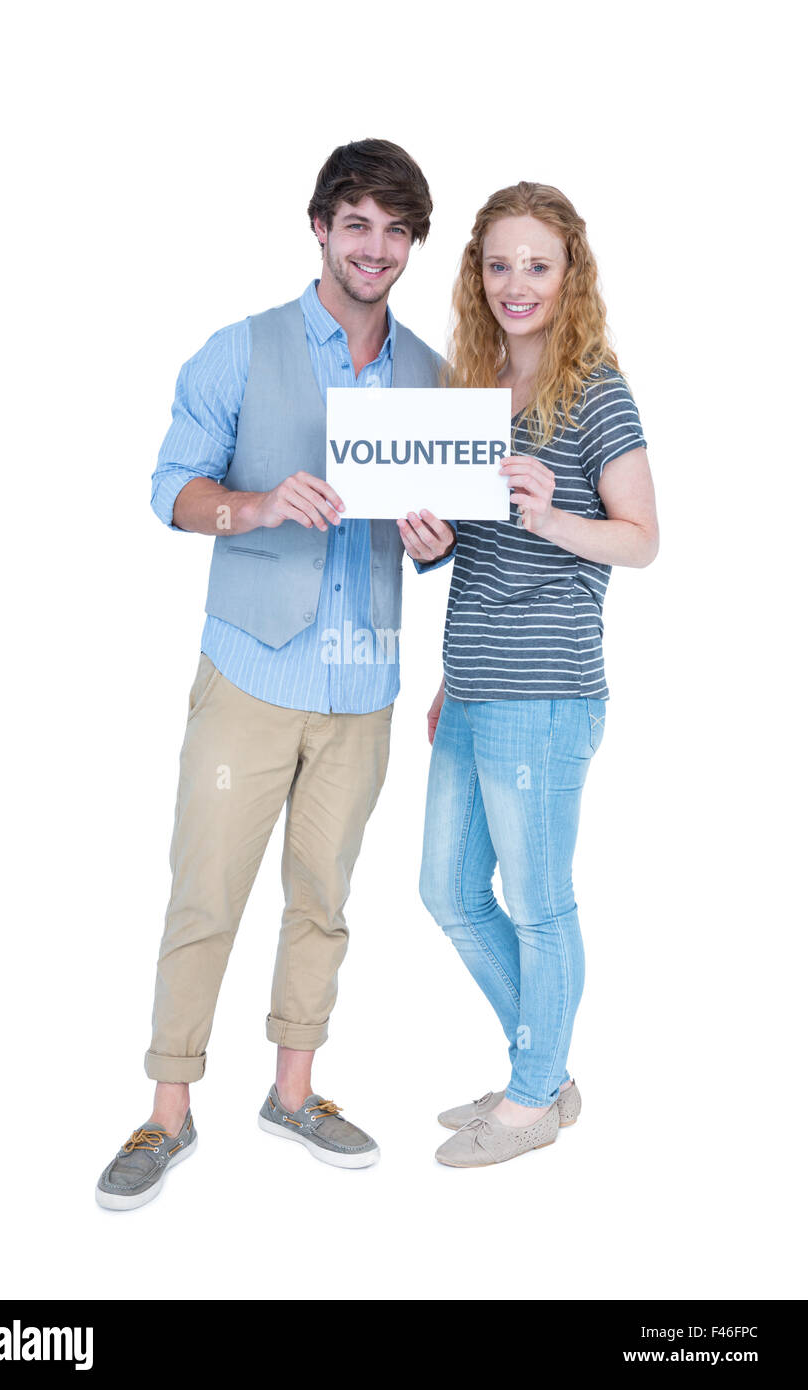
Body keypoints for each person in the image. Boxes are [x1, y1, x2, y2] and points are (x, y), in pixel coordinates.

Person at [96, 139, 456, 1209]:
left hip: (361, 689)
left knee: (324, 897)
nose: (374, 248)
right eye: (356, 224)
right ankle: (167, 1114)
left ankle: (293, 1092)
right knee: (204, 893)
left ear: (410, 245)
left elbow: (436, 545)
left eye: (395, 231)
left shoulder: (432, 377)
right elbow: (170, 487)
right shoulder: (237, 351)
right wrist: (251, 506)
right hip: (250, 674)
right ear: (319, 228)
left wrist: (433, 540)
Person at [419, 181, 659, 1168]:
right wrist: (428, 541)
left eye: (537, 264)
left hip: (545, 691)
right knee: (445, 887)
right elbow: (465, 550)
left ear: (569, 277)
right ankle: (543, 1069)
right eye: (497, 263)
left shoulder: (593, 386)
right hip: (470, 686)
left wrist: (552, 512)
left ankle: (532, 1093)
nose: (515, 283)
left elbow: (641, 539)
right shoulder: (469, 391)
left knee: (535, 900)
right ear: (476, 275)